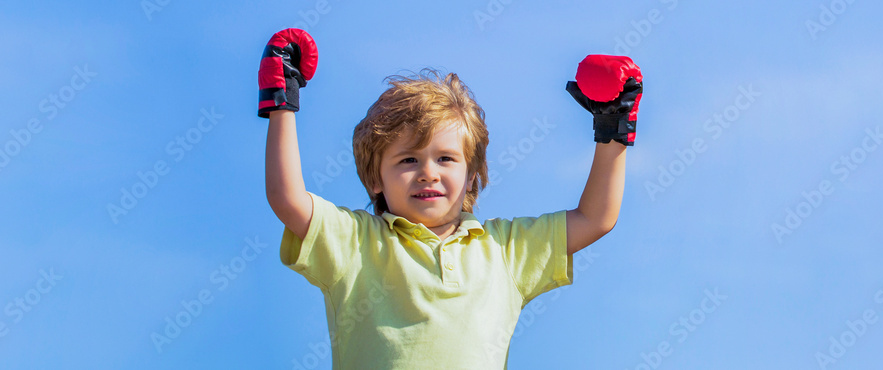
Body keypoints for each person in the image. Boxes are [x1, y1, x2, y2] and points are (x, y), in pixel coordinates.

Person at [260, 28, 641, 369]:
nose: (428, 171)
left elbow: (596, 219)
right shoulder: (357, 242)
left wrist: (612, 131)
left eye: (445, 158)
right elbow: (287, 198)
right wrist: (281, 103)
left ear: (471, 174)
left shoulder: (505, 250)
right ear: (376, 178)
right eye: (408, 159)